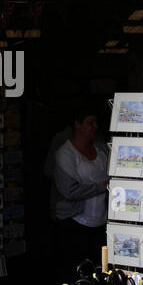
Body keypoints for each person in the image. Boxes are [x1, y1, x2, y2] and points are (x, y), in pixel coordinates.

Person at [51, 104, 110, 273]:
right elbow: (69, 190)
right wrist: (103, 186)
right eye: (89, 123)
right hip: (75, 224)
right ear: (77, 124)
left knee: (101, 270)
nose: (95, 127)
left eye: (96, 122)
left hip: (101, 222)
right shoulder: (65, 154)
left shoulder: (101, 149)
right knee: (78, 272)